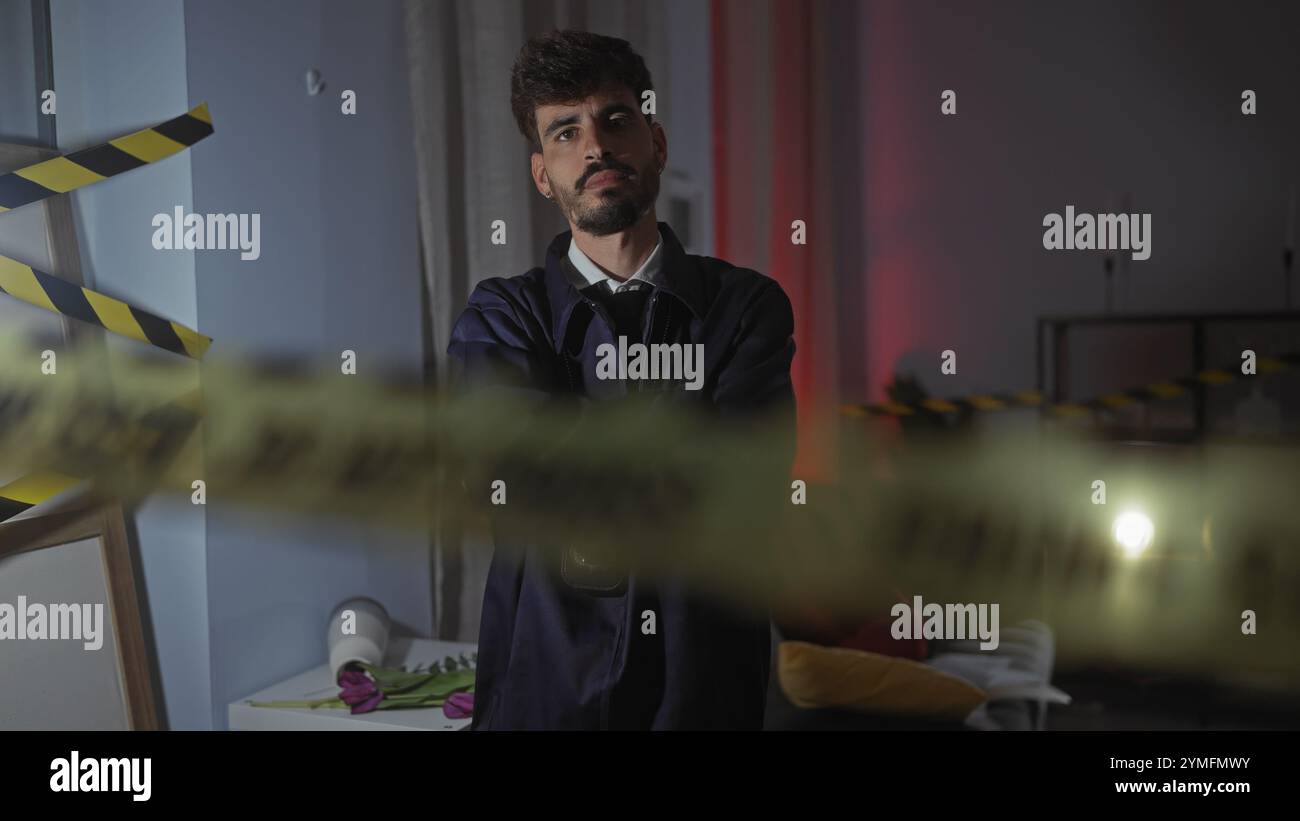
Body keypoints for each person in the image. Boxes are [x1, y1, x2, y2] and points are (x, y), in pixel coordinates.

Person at [448, 29, 795, 729]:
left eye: (615, 119)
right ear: (543, 174)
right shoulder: (500, 315)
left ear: (656, 142)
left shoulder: (747, 307)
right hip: (543, 688)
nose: (596, 147)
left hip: (701, 688)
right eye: (566, 132)